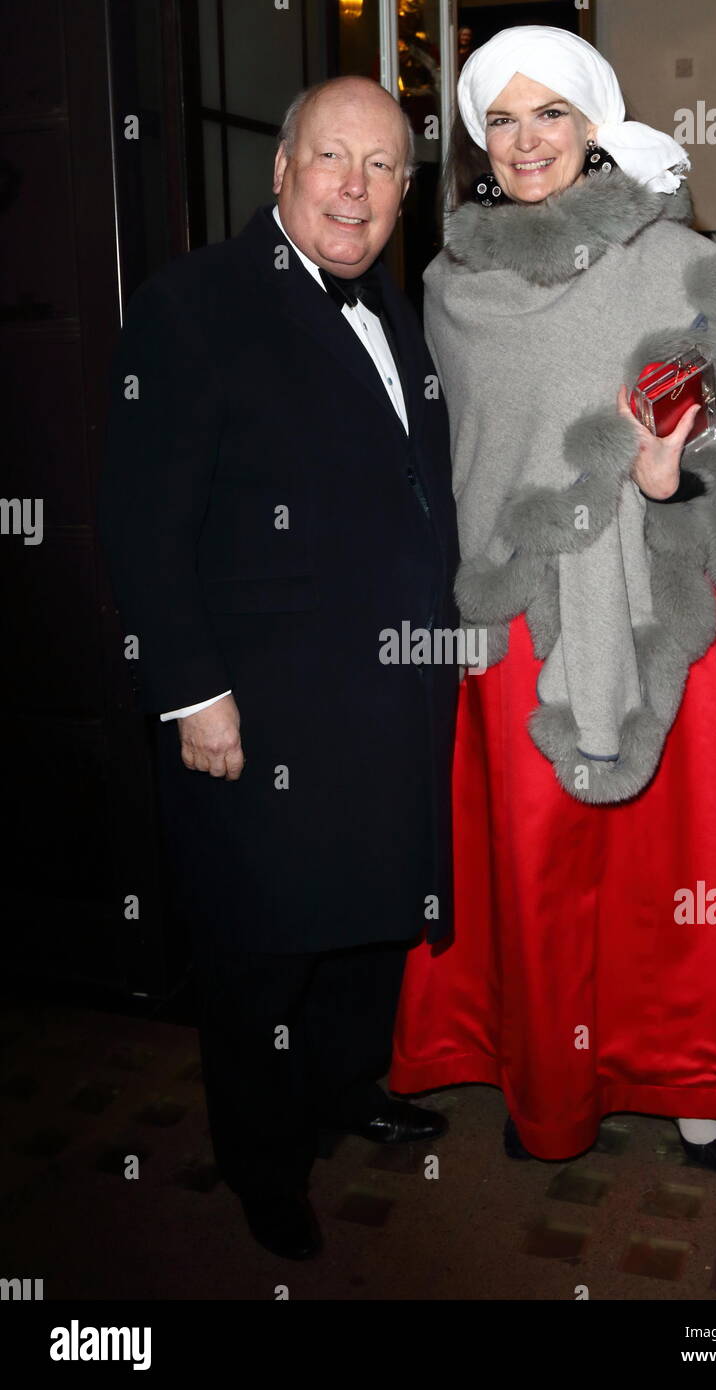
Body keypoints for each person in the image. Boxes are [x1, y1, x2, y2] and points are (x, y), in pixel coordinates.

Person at [390, 26, 716, 1175]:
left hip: (657, 603)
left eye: (550, 115)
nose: (525, 141)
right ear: (479, 144)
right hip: (519, 615)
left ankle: (696, 1084)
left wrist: (665, 479)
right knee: (538, 871)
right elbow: (458, 463)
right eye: (502, 120)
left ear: (591, 128)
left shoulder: (668, 262)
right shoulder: (448, 287)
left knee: (677, 869)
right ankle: (551, 1085)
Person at [97, 76, 460, 1259]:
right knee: (263, 949)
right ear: (280, 169)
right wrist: (194, 695)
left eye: (383, 167)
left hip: (383, 692)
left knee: (364, 923)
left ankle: (345, 1089)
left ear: (406, 192)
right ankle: (263, 1164)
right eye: (330, 159)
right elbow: (143, 524)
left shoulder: (394, 311)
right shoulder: (191, 305)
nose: (353, 188)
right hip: (260, 708)